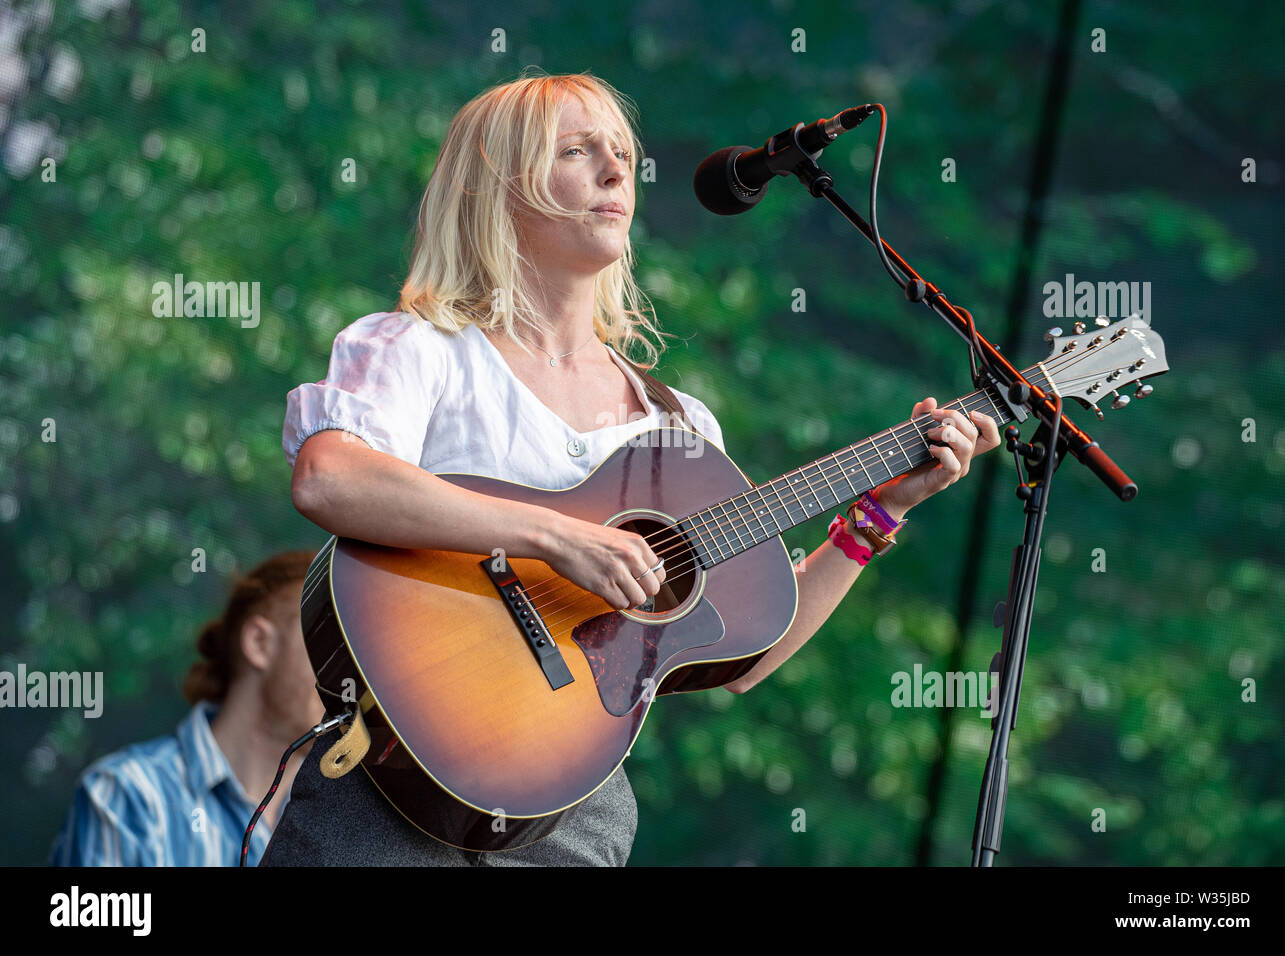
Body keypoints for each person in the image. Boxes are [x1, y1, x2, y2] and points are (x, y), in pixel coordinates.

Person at [261, 70, 999, 868]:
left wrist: (876, 517)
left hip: (573, 816)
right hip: (388, 784)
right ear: (494, 191)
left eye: (621, 153)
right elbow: (330, 479)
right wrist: (554, 538)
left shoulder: (678, 429)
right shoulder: (421, 351)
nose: (618, 173)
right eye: (577, 152)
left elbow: (748, 659)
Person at [49, 550, 322, 866]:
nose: (351, 679)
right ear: (260, 643)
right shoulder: (126, 798)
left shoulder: (338, 819)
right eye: (329, 646)